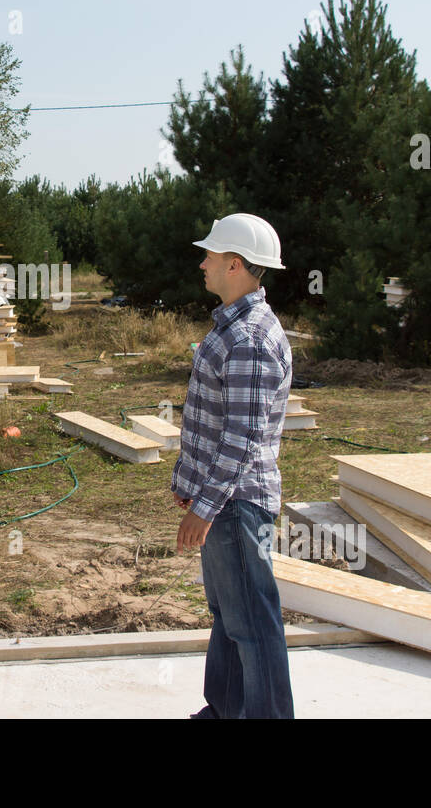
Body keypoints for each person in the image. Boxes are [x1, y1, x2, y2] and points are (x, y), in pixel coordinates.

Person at [171, 213, 294, 719]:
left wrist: (202, 506)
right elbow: (212, 420)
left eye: (211, 256)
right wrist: (188, 482)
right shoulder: (233, 328)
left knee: (252, 622)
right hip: (223, 501)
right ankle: (224, 710)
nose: (202, 263)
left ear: (236, 265)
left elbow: (240, 442)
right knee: (229, 615)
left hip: (236, 506)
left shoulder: (249, 341)